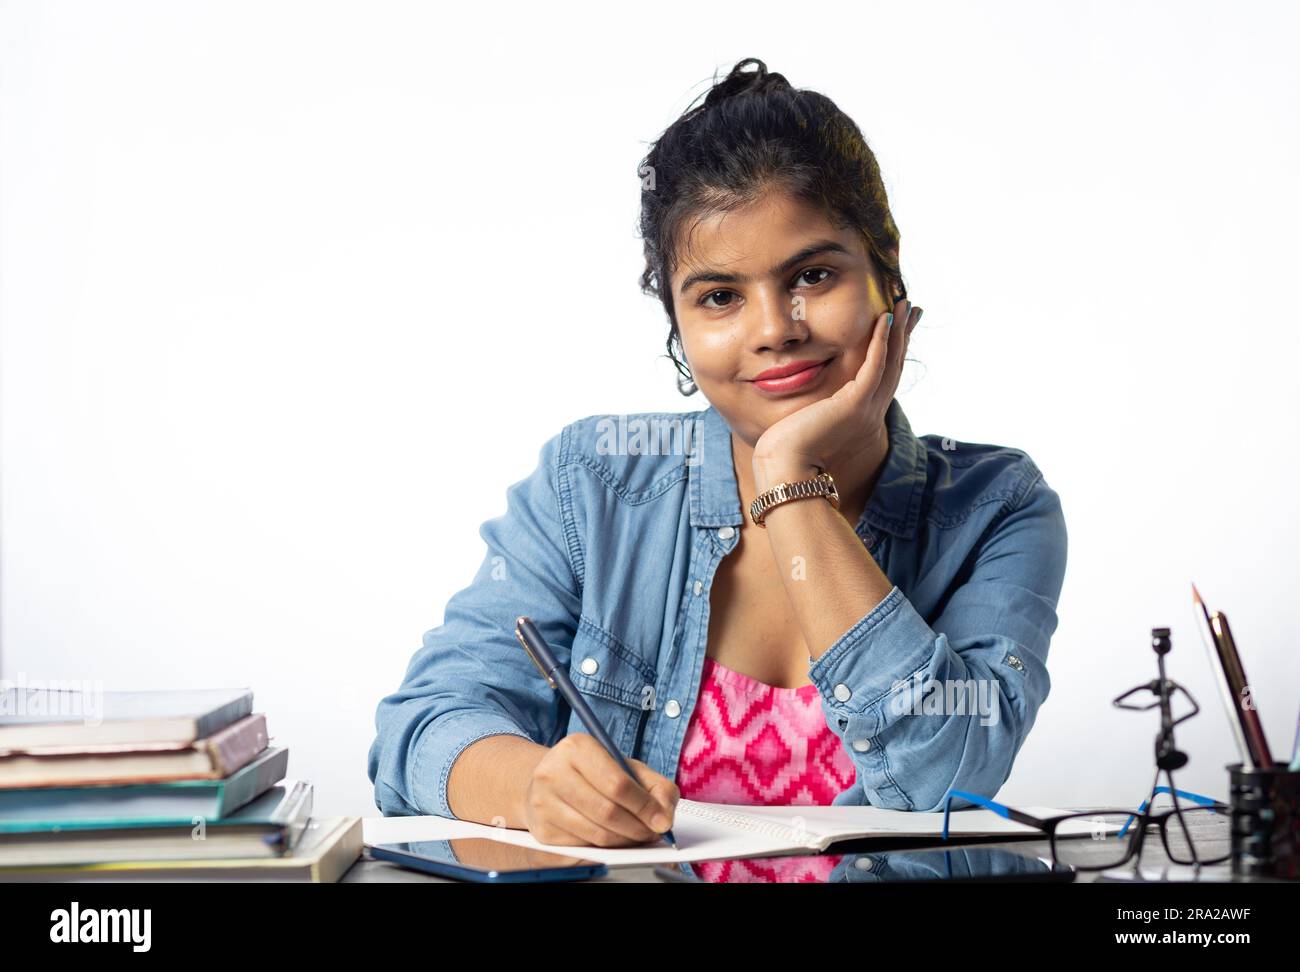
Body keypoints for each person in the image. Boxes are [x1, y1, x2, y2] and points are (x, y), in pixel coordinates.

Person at [367, 58, 1069, 864]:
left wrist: (790, 483)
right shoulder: (593, 482)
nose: (775, 328)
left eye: (812, 275)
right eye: (719, 297)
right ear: (676, 318)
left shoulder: (998, 508)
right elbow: (420, 728)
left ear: (886, 268)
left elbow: (949, 779)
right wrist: (533, 788)